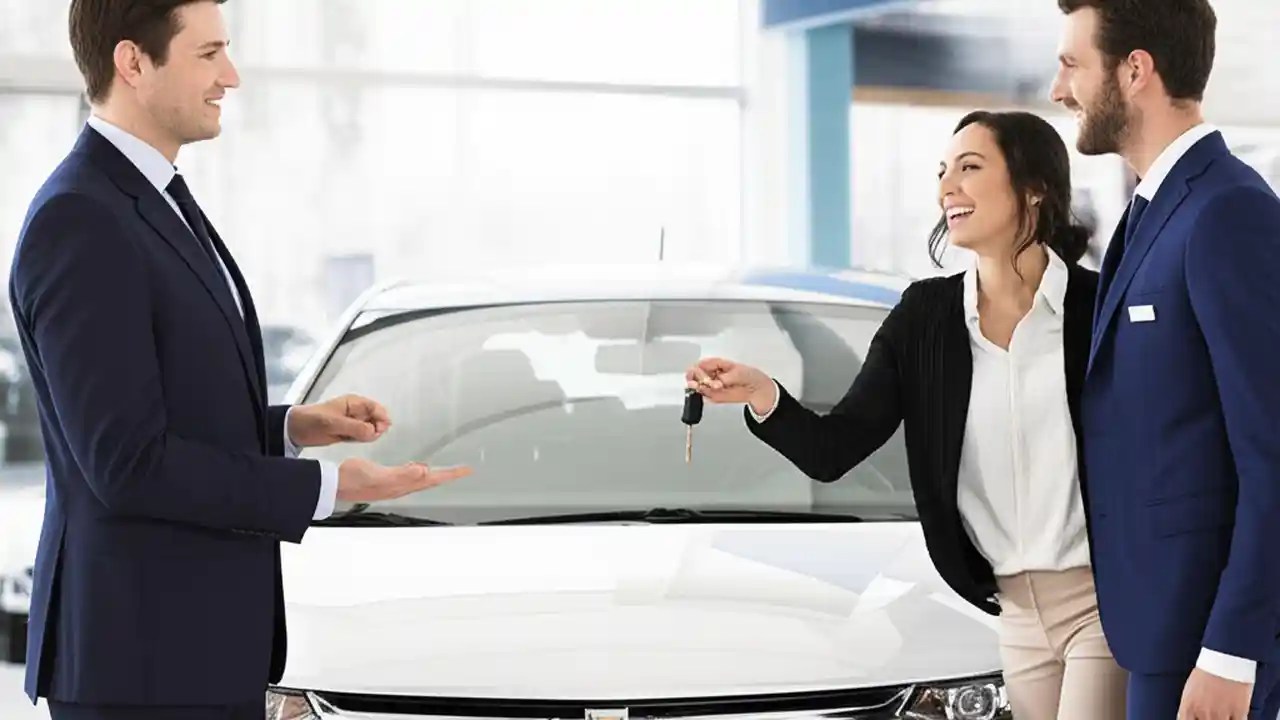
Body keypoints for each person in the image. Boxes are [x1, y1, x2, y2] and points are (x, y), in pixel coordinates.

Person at [8, 1, 471, 717]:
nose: (231, 75)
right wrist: (326, 487)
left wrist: (290, 427)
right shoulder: (82, 220)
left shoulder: (150, 197)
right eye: (208, 53)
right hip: (139, 663)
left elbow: (161, 413)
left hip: (187, 648)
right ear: (132, 63)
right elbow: (128, 464)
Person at [686, 110, 1125, 719]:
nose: (947, 186)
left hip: (1104, 604)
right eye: (943, 171)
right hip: (1012, 612)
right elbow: (833, 449)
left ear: (1034, 188)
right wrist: (764, 395)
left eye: (970, 167)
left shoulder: (1100, 308)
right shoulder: (925, 318)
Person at [1050, 2, 1280, 719]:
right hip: (1157, 629)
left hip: (1208, 645)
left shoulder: (1227, 211)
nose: (1059, 90)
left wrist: (1232, 651)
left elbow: (1273, 451)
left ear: (1135, 70)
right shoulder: (1151, 212)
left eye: (1072, 65)